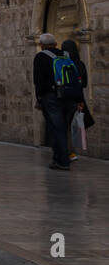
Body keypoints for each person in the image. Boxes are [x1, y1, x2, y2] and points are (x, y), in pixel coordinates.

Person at [34, 33, 78, 171]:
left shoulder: (40, 57)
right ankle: (59, 158)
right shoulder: (65, 55)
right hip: (69, 96)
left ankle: (62, 161)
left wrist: (39, 98)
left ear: (42, 45)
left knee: (56, 129)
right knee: (63, 128)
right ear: (55, 43)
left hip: (51, 97)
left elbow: (38, 80)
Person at [61, 39, 89, 160]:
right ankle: (72, 151)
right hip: (78, 98)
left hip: (64, 99)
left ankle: (69, 152)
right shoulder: (80, 64)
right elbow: (84, 84)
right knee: (75, 125)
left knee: (65, 127)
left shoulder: (61, 64)